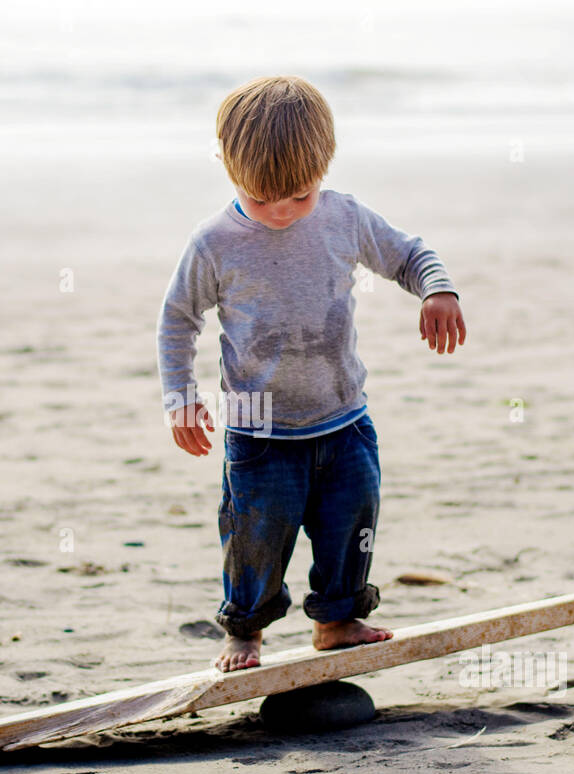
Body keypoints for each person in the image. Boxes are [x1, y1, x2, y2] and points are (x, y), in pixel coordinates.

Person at [156, 75, 465, 672]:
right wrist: (180, 397)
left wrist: (438, 289)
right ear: (226, 166)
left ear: (325, 164)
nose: (279, 211)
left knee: (353, 524)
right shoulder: (214, 242)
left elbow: (408, 255)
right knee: (254, 539)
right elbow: (177, 321)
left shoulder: (343, 218)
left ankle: (338, 619)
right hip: (257, 434)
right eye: (260, 197)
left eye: (298, 195)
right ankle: (244, 631)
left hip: (343, 421)